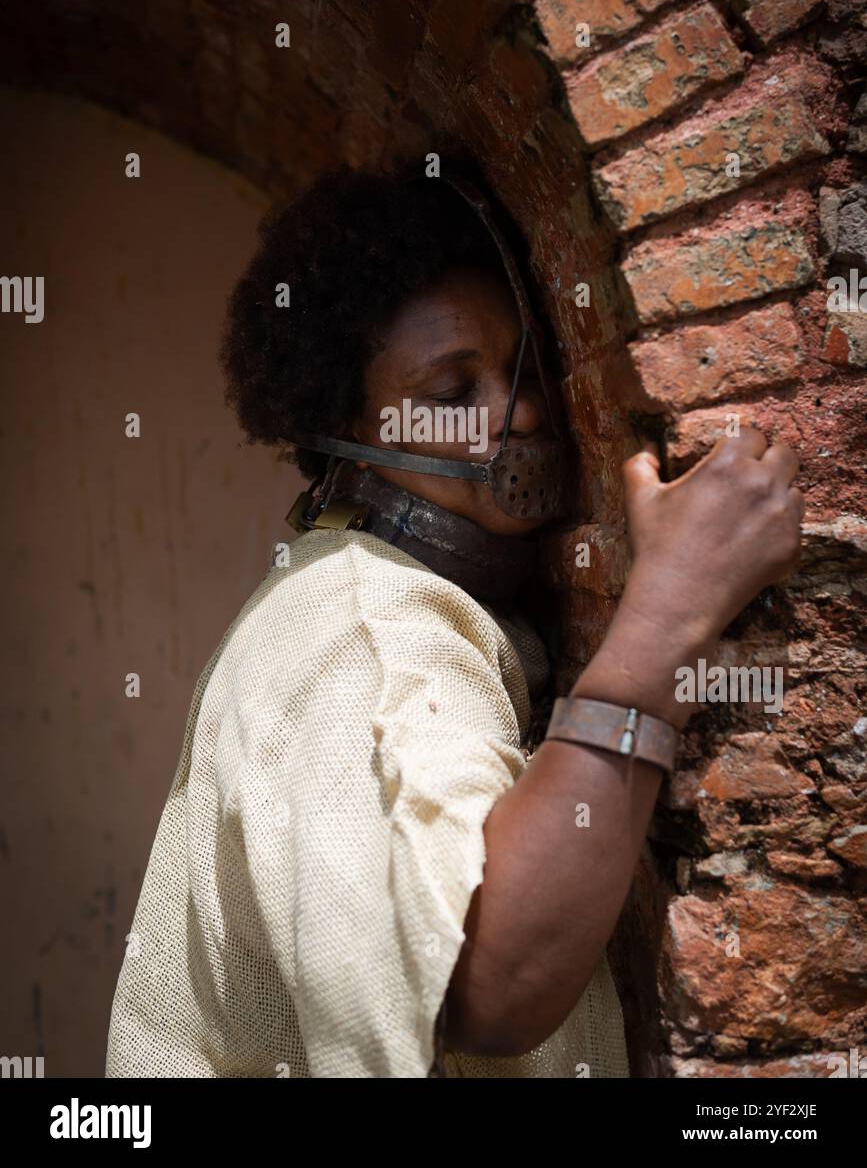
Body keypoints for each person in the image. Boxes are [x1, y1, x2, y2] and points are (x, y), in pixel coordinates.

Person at [104, 160, 802, 1078]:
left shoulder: (364, 598)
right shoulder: (358, 633)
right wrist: (671, 612)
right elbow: (488, 986)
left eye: (518, 371)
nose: (521, 415)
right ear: (344, 431)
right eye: (449, 394)